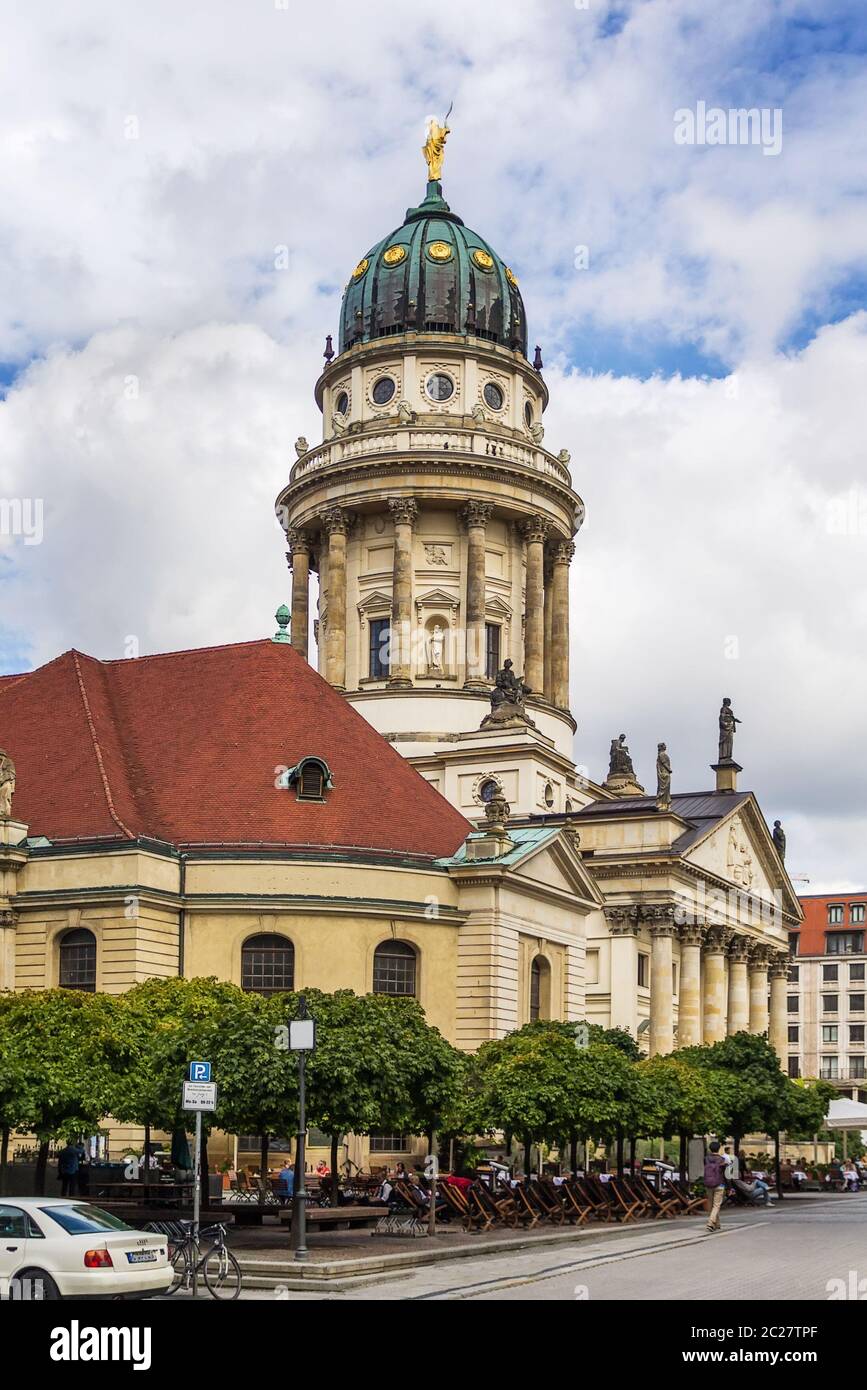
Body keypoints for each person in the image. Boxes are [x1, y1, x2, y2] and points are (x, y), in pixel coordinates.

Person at [704, 1141, 731, 1233]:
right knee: (716, 1205)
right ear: (719, 1148)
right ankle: (710, 1223)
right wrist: (729, 1187)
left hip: (708, 1184)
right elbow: (726, 1175)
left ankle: (717, 1224)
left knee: (712, 1205)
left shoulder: (706, 1159)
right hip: (720, 1184)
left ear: (710, 1149)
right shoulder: (722, 1160)